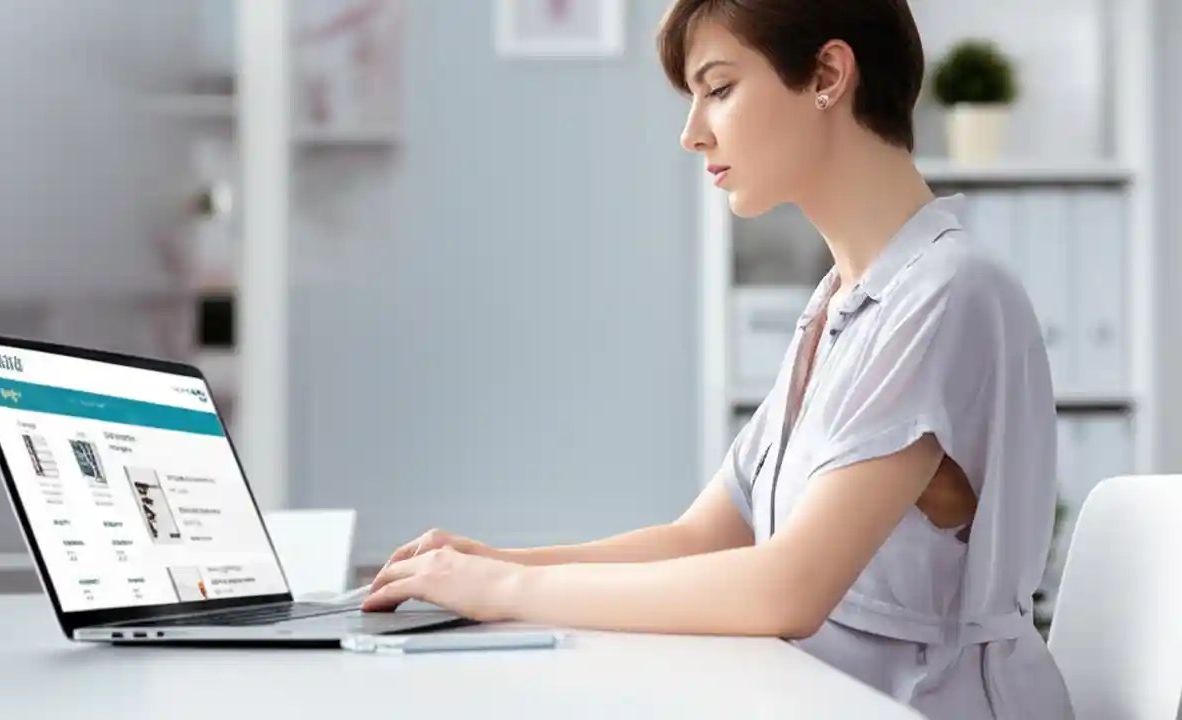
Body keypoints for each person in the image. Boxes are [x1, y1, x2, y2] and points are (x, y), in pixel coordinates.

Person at [363, 1, 1073, 716]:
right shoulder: (839, 308)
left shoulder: (946, 292)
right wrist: (496, 564)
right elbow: (700, 538)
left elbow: (786, 589)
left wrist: (506, 593)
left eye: (720, 88)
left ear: (828, 74)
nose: (691, 134)